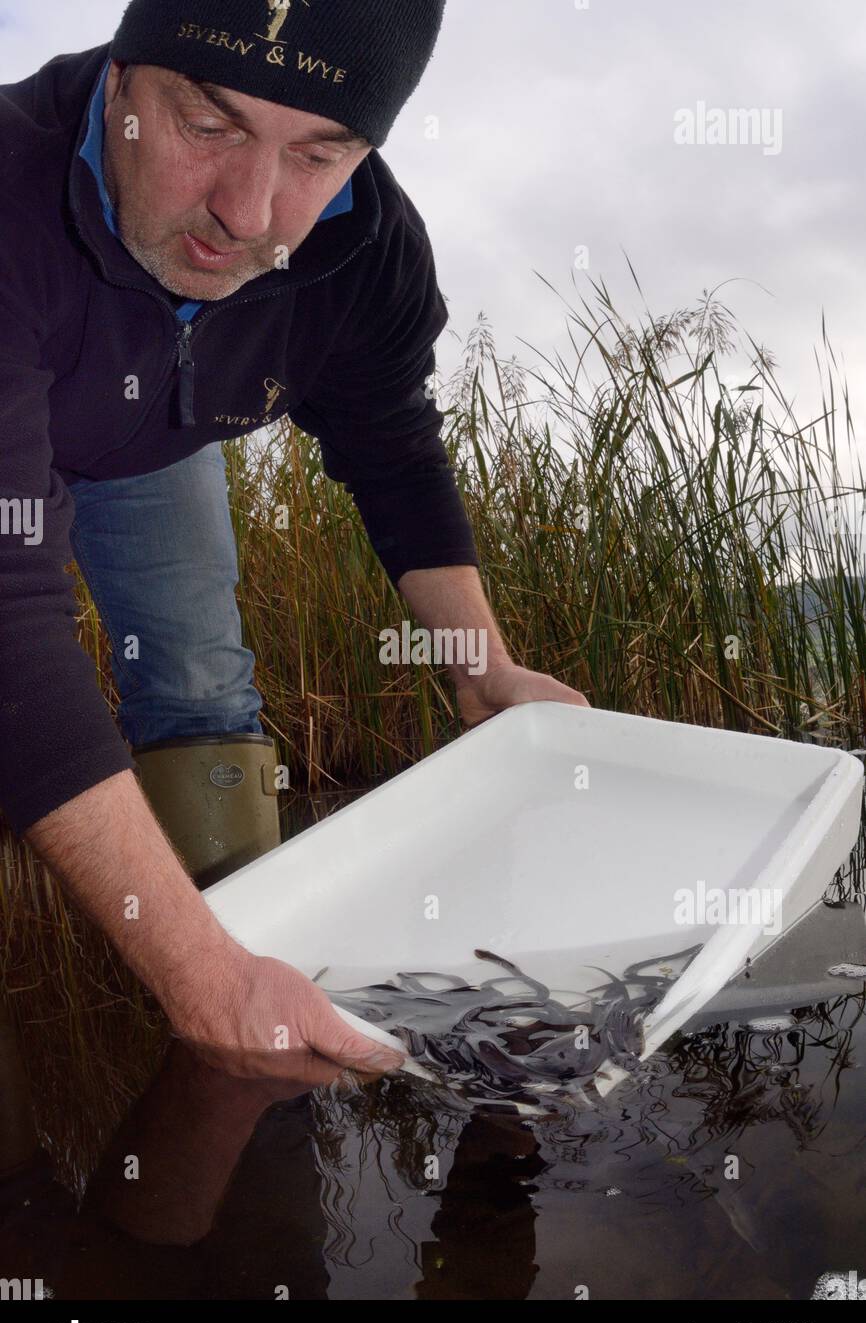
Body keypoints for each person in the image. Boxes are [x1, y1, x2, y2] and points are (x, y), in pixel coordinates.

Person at [0, 0, 589, 1080]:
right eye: (207, 125)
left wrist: (482, 669)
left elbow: (392, 448)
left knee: (198, 686)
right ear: (122, 76)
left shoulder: (365, 247)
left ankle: (246, 975)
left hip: (152, 443)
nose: (249, 213)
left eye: (318, 152)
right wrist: (190, 971)